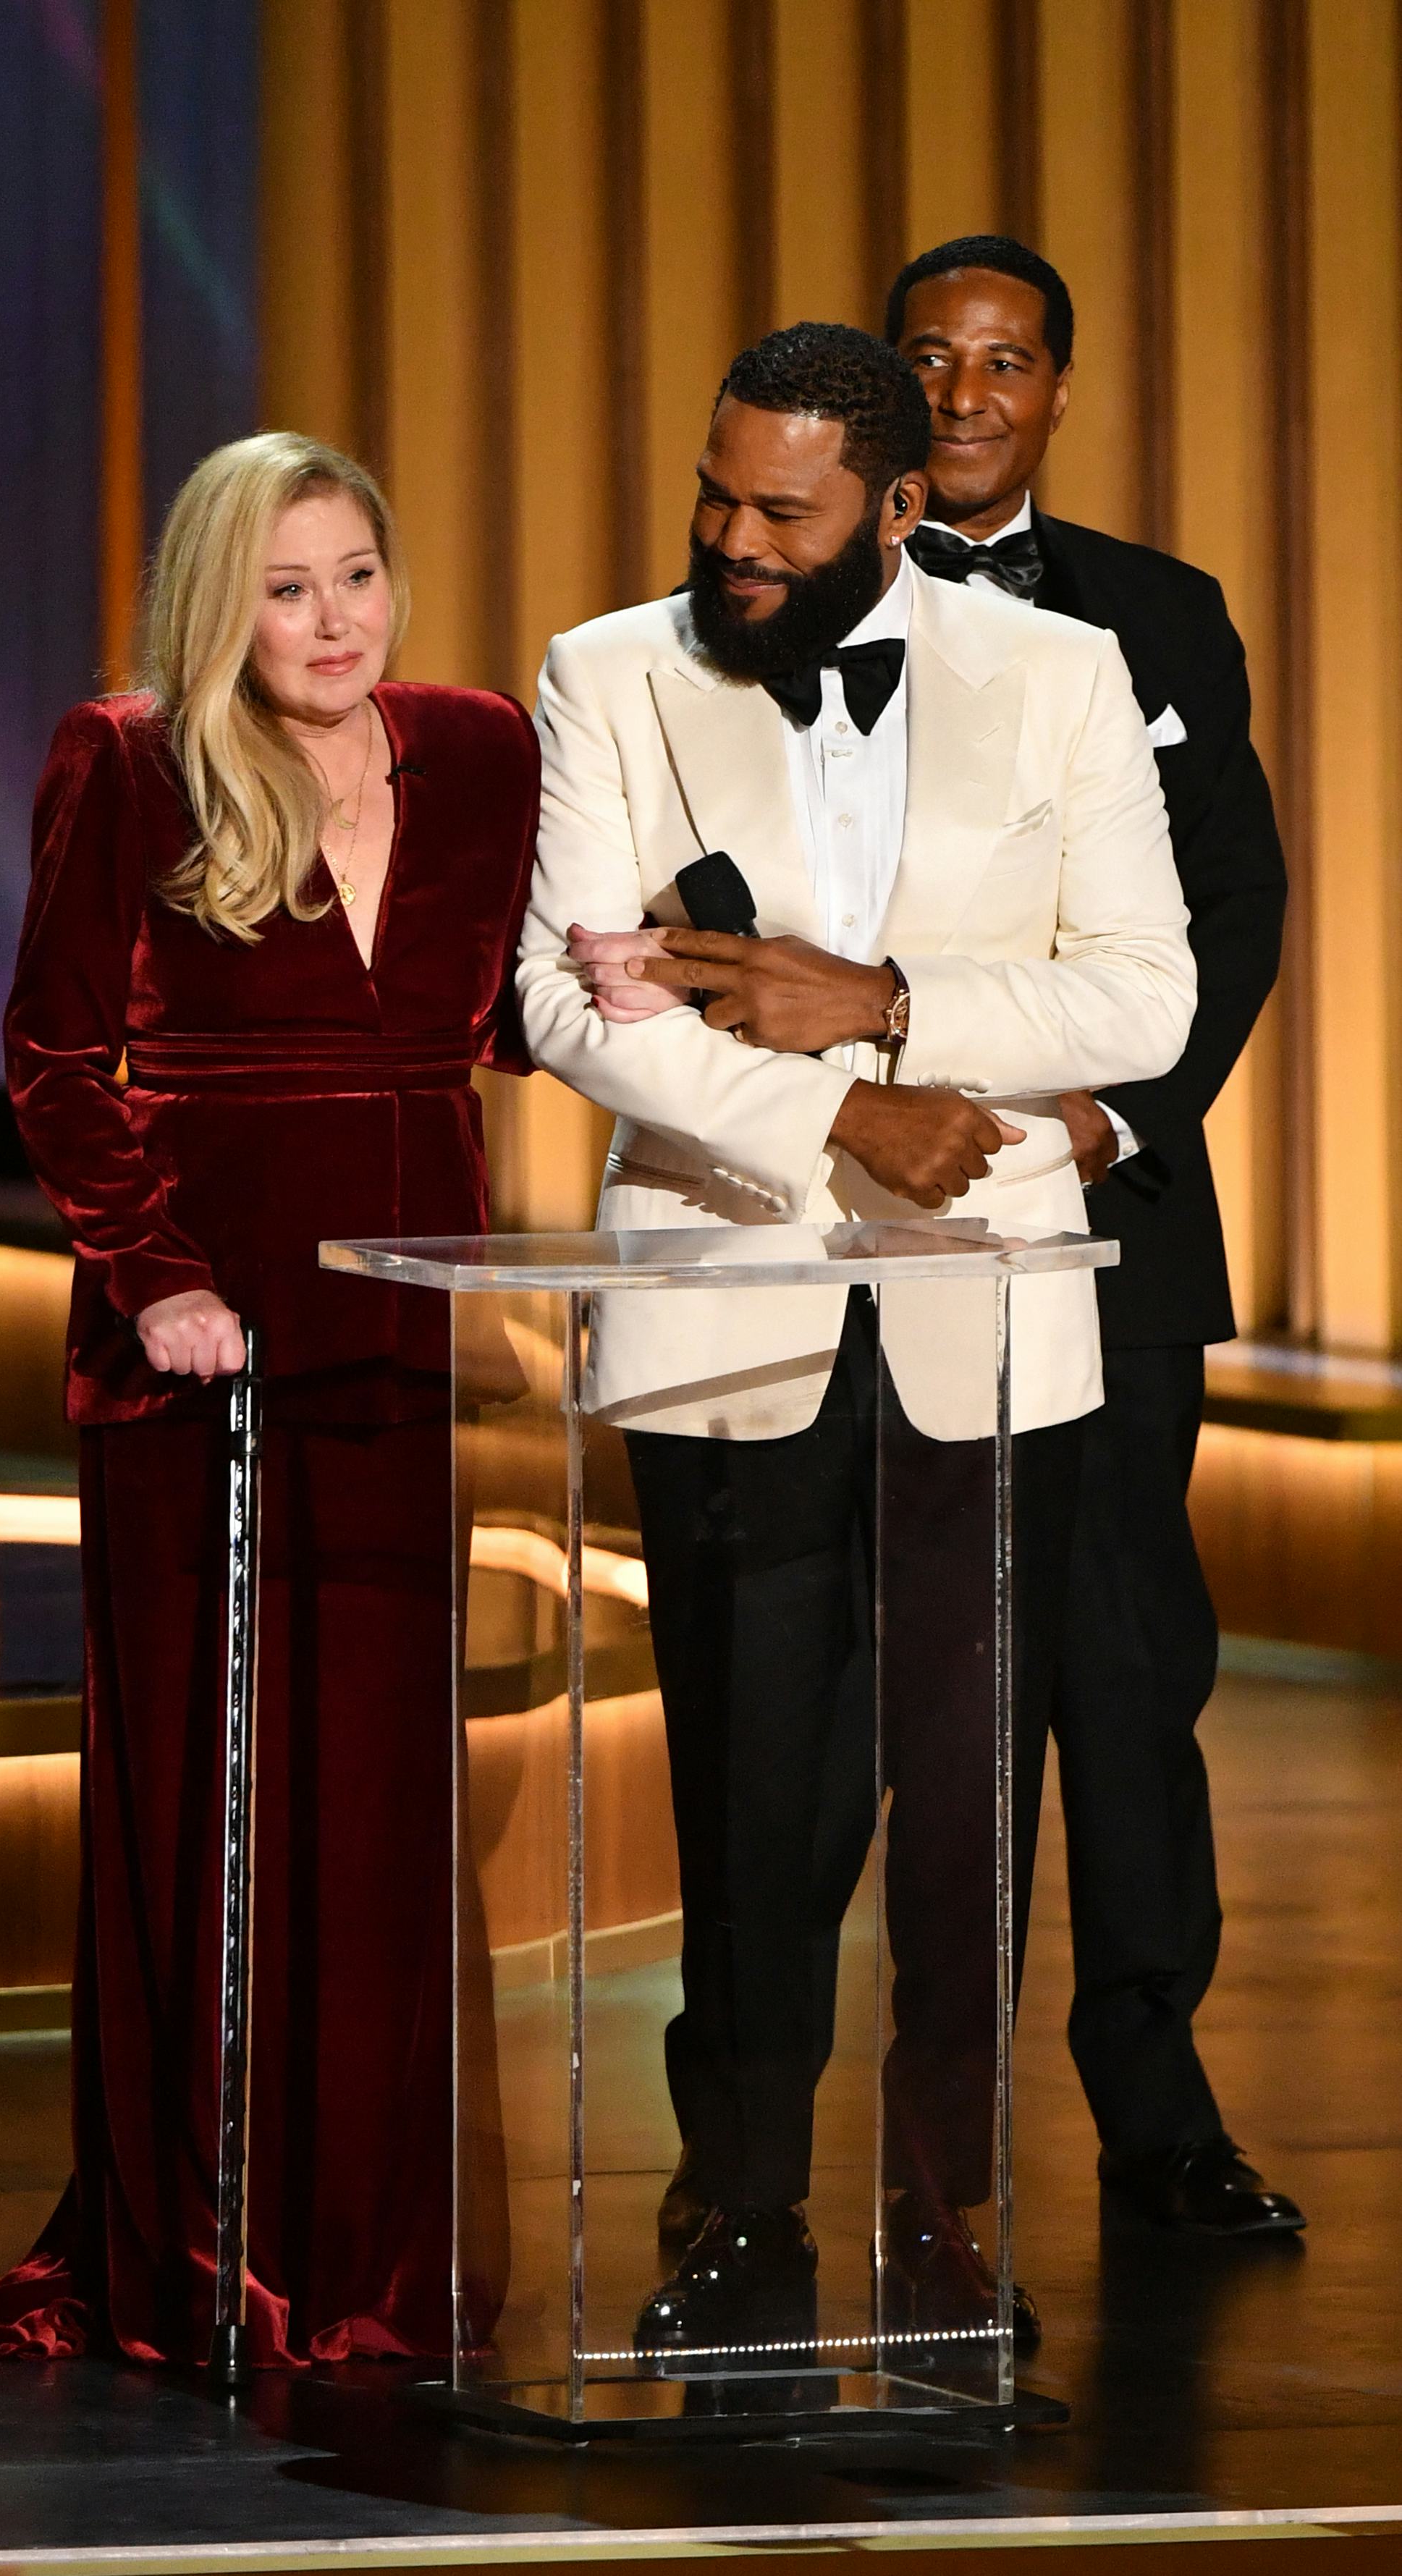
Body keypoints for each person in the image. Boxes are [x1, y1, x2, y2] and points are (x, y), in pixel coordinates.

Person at [0, 433, 539, 2369]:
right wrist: (156, 1277)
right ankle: (205, 2260)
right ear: (214, 598)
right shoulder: (130, 755)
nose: (331, 624)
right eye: (285, 587)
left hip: (409, 1332)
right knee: (211, 1812)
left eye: (356, 577)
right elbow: (58, 1060)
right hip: (199, 1360)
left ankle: (374, 2267)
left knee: (382, 1817)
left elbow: (484, 1019)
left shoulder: (482, 749)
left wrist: (641, 987)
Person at [519, 322, 1195, 2349]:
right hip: (732, 1298)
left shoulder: (1063, 676)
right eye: (717, 494)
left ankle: (944, 2214)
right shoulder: (609, 672)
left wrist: (886, 1004)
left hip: (990, 1318)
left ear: (897, 505)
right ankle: (733, 2203)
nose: (732, 537)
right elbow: (577, 1010)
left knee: (970, 1800)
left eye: (780, 509)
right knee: (751, 1793)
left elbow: (1143, 1000)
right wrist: (847, 1109)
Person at [887, 235, 1301, 2239]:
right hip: (871, 1222)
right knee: (907, 1690)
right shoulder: (780, 614)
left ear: (1060, 391)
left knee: (1128, 1673)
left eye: (1007, 363)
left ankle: (1156, 2106)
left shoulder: (1162, 614)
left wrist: (1120, 1112)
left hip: (1117, 1221)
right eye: (933, 361)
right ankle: (917, 2154)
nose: (969, 396)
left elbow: (1236, 905)